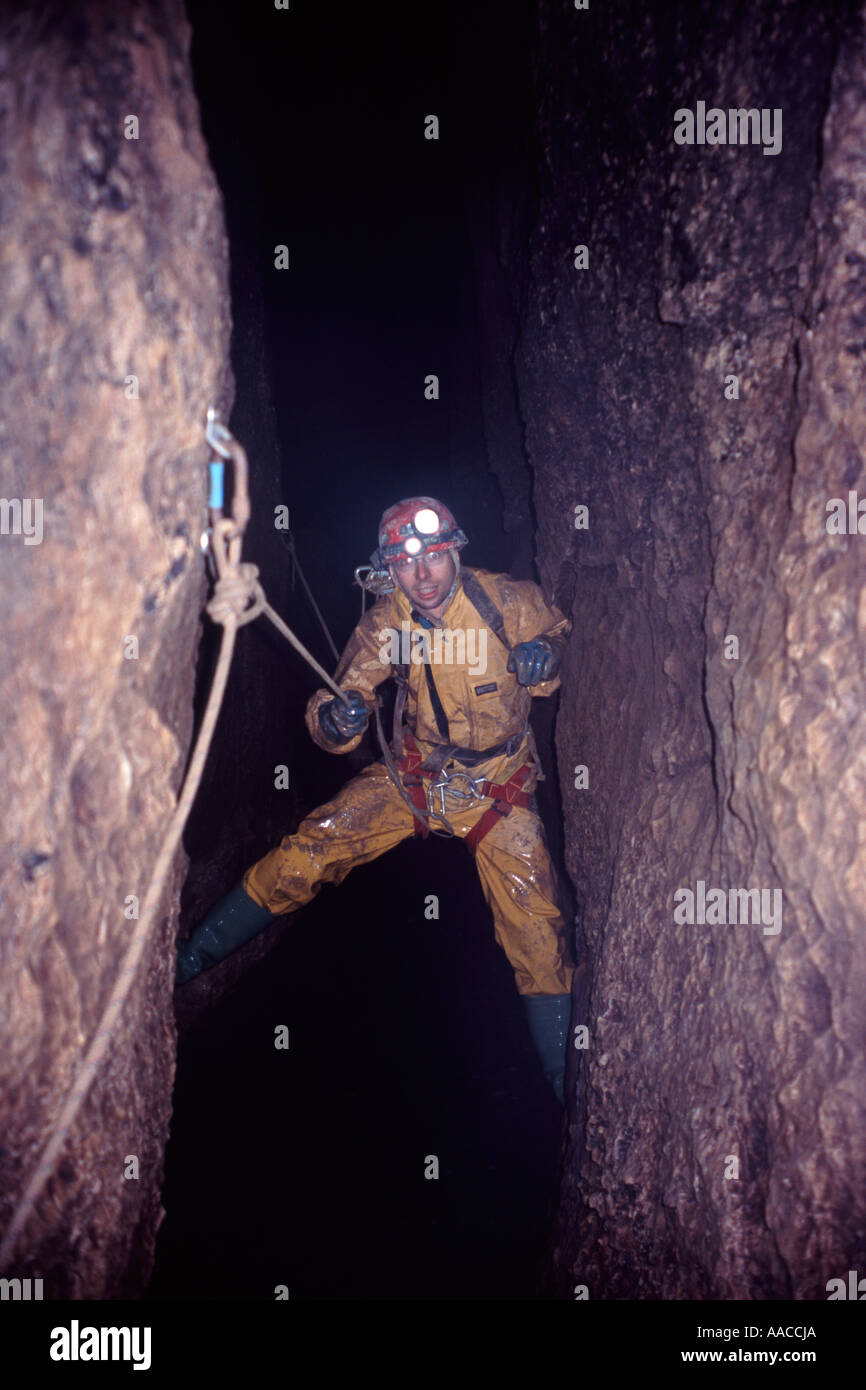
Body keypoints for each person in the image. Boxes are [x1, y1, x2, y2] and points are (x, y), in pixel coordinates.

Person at [176, 497, 575, 1102]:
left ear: (455, 552)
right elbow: (337, 705)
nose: (424, 576)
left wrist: (543, 658)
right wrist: (337, 722)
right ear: (390, 570)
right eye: (408, 565)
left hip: (498, 787)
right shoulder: (387, 625)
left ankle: (562, 1081)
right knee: (314, 845)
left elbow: (557, 635)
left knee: (535, 928)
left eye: (435, 557)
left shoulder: (506, 602)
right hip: (416, 774)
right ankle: (193, 959)